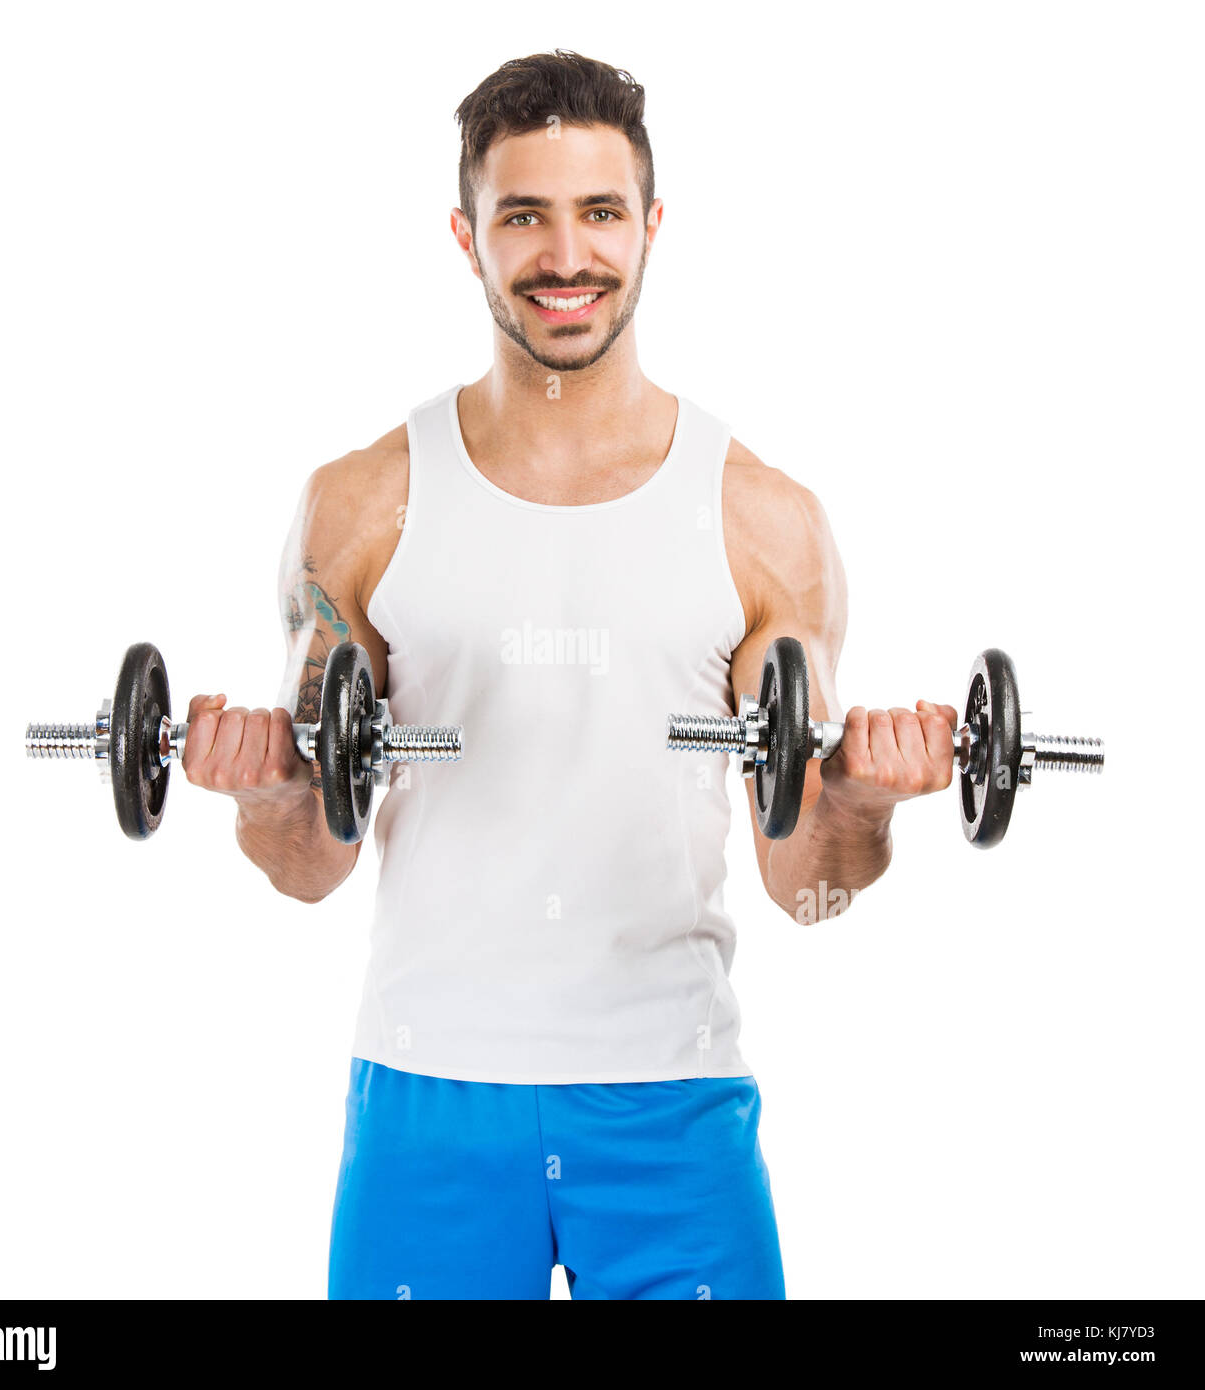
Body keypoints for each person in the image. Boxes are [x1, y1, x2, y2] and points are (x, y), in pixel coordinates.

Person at [181, 50, 958, 1300]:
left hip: (672, 1097)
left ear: (651, 226)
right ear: (464, 234)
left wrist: (863, 803)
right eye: (522, 214)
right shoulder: (363, 506)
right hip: (427, 1094)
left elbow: (801, 883)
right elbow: (311, 867)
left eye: (599, 212)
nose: (565, 256)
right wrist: (260, 791)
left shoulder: (765, 522)